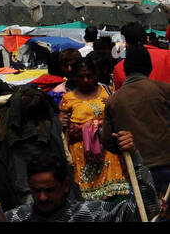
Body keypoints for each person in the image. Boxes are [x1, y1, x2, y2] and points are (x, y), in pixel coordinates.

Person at [6, 149, 156, 222]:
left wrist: (133, 156)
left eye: (50, 190)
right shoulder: (15, 218)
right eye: (36, 190)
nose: (42, 197)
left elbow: (146, 209)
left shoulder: (94, 214)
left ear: (65, 185)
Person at [102, 44, 170, 196]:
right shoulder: (164, 90)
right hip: (166, 162)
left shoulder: (113, 100)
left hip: (136, 168)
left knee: (146, 212)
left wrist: (125, 148)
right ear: (149, 67)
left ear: (125, 69)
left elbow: (107, 140)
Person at [58, 55, 128, 200]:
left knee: (116, 200)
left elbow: (119, 118)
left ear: (95, 74)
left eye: (89, 76)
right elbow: (64, 129)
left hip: (109, 154)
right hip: (82, 157)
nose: (85, 80)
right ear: (75, 77)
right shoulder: (68, 99)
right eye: (81, 76)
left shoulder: (108, 92)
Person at [112, 22, 170, 89]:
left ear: (126, 43)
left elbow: (121, 97)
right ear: (147, 38)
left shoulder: (119, 68)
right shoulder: (167, 55)